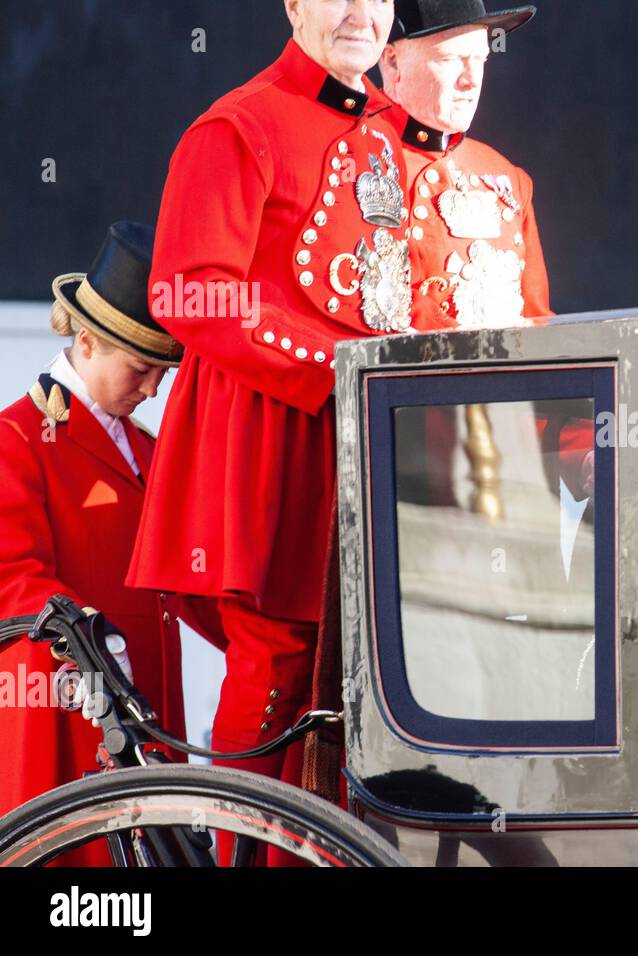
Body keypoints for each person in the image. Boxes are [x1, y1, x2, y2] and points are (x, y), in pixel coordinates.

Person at [125, 0, 412, 826]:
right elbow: (191, 291)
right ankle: (240, 848)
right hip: (270, 444)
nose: (363, 13)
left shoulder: (397, 130)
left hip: (370, 437)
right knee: (279, 669)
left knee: (365, 681)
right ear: (293, 5)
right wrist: (341, 364)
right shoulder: (237, 126)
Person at [0, 222, 224, 866]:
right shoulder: (17, 439)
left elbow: (192, 584)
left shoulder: (148, 450)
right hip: (70, 719)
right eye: (142, 368)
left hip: (146, 717)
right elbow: (15, 580)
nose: (153, 388)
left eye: (160, 371)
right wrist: (97, 642)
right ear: (88, 341)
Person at [379, 0, 551, 330]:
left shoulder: (506, 176)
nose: (471, 80)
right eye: (451, 60)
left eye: (480, 60)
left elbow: (537, 320)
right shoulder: (360, 162)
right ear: (392, 62)